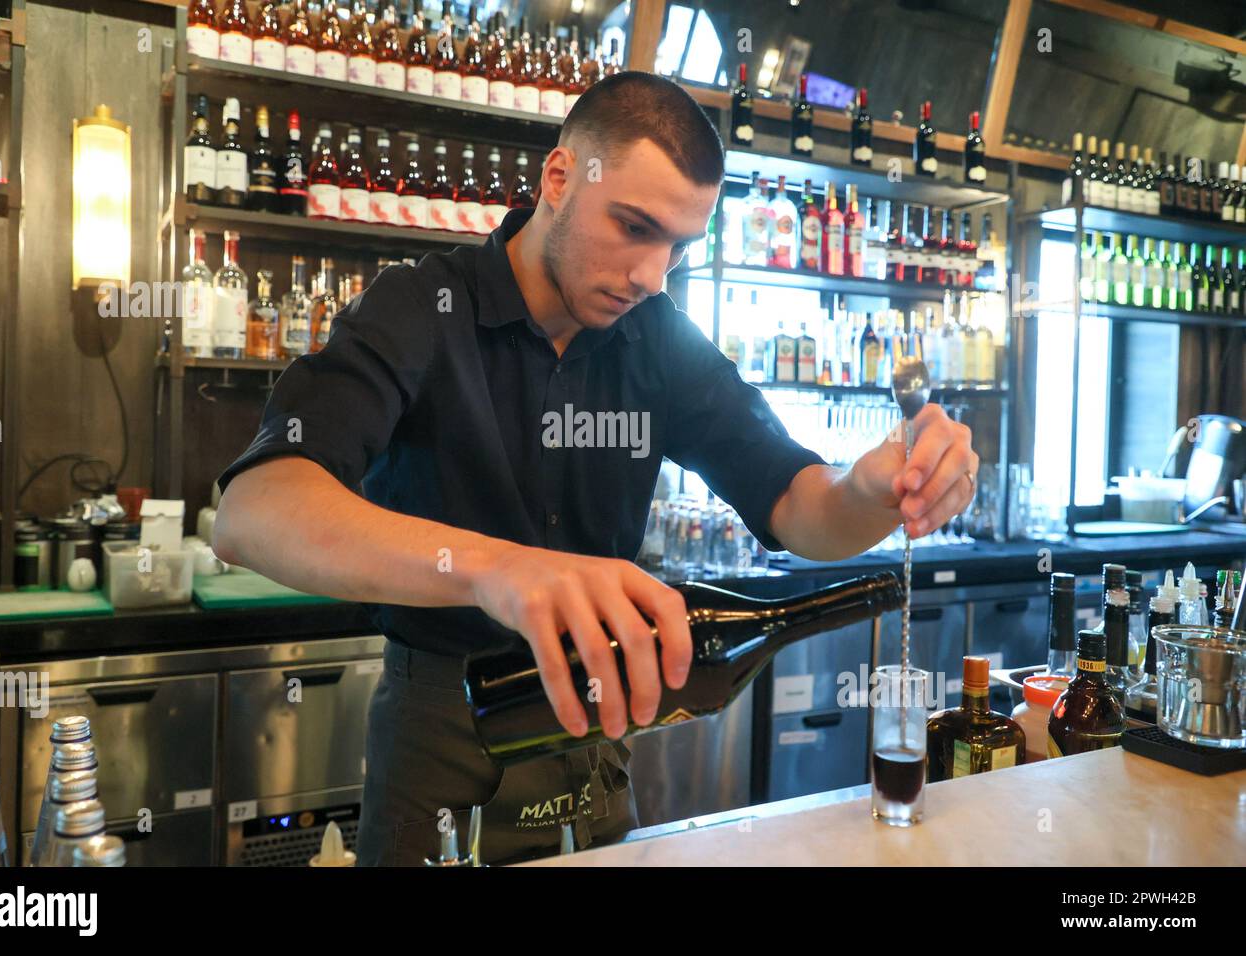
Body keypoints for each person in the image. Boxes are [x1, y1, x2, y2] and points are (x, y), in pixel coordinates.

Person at [212, 72, 978, 865]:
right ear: (559, 179)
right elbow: (255, 509)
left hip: (602, 726)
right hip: (441, 726)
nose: (653, 275)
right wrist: (495, 571)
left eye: (678, 247)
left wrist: (872, 488)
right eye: (635, 226)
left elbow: (796, 501)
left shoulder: (659, 339)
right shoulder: (421, 309)